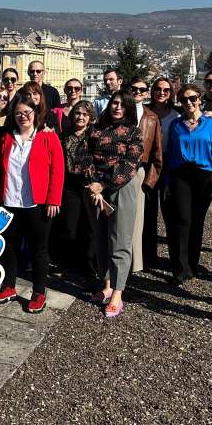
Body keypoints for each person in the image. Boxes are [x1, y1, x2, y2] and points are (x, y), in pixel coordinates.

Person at [0, 90, 64, 312]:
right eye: (19, 113)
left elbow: (58, 170)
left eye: (27, 112)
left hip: (37, 203)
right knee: (9, 246)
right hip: (10, 201)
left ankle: (39, 292)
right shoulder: (7, 138)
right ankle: (9, 286)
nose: (23, 117)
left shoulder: (48, 137)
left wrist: (53, 199)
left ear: (35, 113)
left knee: (39, 249)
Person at [78, 92, 144, 317]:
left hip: (120, 188)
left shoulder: (133, 132)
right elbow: (83, 155)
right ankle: (106, 285)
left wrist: (103, 184)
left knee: (120, 241)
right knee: (101, 238)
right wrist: (93, 183)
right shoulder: (95, 129)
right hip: (95, 189)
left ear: (128, 108)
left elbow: (131, 163)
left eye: (122, 105)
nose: (117, 107)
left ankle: (117, 293)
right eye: (114, 103)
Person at [166, 83, 212, 285]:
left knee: (198, 221)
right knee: (182, 220)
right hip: (181, 175)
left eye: (192, 98)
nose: (188, 102)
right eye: (183, 100)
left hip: (203, 175)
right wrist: (168, 181)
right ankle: (180, 268)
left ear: (200, 99)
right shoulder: (175, 124)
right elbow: (171, 153)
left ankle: (192, 264)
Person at [52, 100, 103, 284]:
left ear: (90, 117)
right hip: (70, 184)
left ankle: (89, 265)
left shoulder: (95, 135)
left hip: (90, 184)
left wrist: (99, 183)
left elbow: (101, 160)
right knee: (69, 226)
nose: (80, 117)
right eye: (77, 113)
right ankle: (67, 262)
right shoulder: (64, 135)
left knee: (90, 226)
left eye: (84, 114)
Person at [142, 77, 179, 269]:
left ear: (171, 92)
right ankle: (147, 256)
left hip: (169, 163)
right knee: (147, 211)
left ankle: (175, 259)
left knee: (170, 212)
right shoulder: (144, 112)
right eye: (158, 89)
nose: (162, 93)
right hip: (148, 164)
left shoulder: (177, 114)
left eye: (166, 90)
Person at [129, 76, 163, 273]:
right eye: (134, 88)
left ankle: (135, 263)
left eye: (142, 90)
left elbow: (157, 152)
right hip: (116, 171)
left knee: (137, 220)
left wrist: (149, 180)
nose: (138, 92)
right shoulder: (118, 111)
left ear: (147, 93)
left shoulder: (152, 118)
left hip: (139, 171)